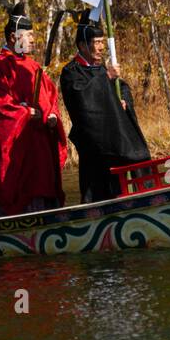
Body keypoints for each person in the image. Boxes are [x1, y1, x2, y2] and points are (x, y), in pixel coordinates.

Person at [0, 3, 67, 215]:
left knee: (44, 184)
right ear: (13, 38)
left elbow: (51, 99)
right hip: (18, 145)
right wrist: (25, 113)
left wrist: (51, 116)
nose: (32, 40)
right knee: (21, 189)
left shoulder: (34, 67)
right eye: (28, 35)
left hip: (39, 144)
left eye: (32, 35)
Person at [60, 11, 150, 203]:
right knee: (98, 191)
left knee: (139, 155)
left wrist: (122, 102)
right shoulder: (71, 72)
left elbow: (122, 88)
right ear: (83, 45)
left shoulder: (100, 68)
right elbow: (82, 99)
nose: (101, 47)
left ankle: (143, 197)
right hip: (94, 145)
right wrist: (107, 78)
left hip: (114, 138)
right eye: (97, 42)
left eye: (102, 42)